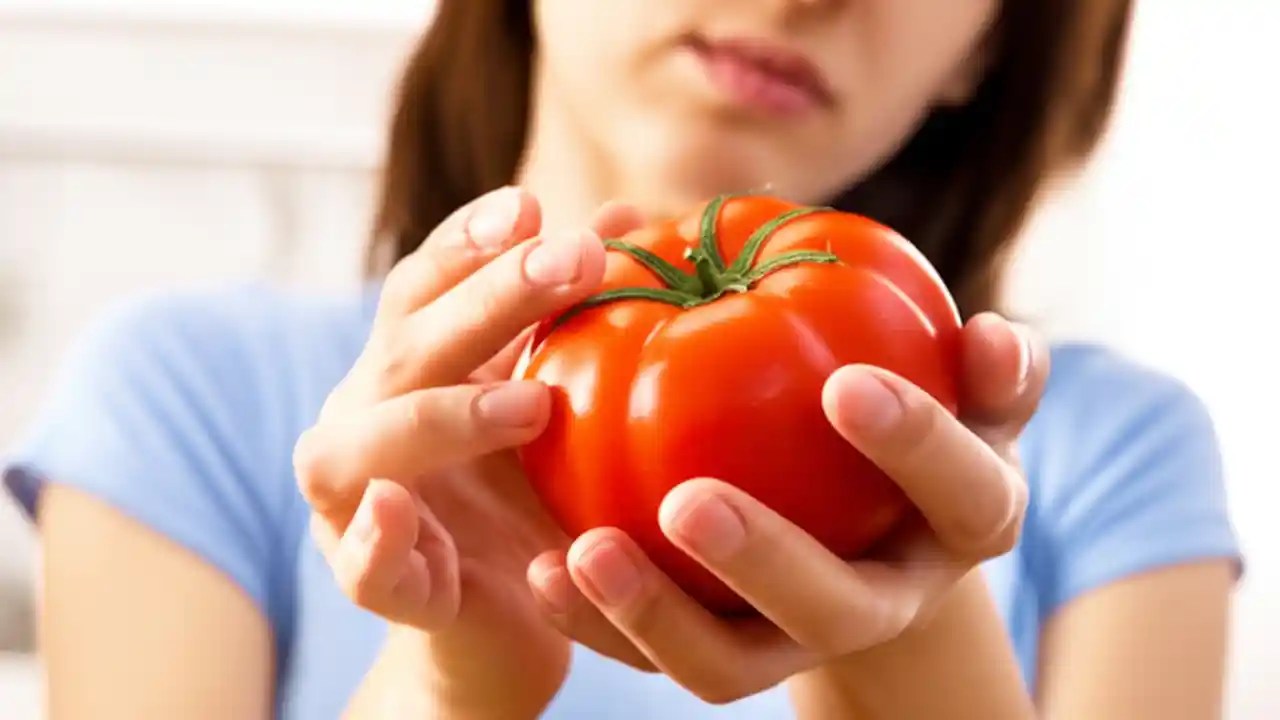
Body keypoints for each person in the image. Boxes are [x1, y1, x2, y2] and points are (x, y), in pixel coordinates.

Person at [2, 1, 1243, 718]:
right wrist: (456, 677)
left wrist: (905, 647)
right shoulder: (184, 398)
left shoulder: (1121, 455)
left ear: (990, 43)